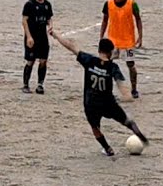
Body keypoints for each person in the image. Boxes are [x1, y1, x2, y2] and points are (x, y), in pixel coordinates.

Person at [47, 27, 149, 157]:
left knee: (95, 128)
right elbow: (120, 83)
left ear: (99, 50)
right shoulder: (112, 67)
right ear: (111, 52)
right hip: (108, 103)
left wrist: (55, 35)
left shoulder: (89, 60)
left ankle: (108, 149)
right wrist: (127, 95)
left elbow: (71, 46)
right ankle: (141, 136)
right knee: (127, 121)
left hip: (91, 103)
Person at [100, 0, 143, 98]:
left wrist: (140, 36)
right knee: (107, 64)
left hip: (128, 41)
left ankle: (134, 89)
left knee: (130, 64)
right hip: (112, 41)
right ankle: (107, 90)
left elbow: (138, 19)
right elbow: (104, 20)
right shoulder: (108, 3)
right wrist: (101, 37)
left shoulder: (132, 3)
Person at [21, 0, 53, 94]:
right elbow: (24, 21)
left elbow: (49, 18)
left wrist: (50, 26)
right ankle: (25, 84)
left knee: (43, 61)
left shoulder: (47, 5)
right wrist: (29, 37)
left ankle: (40, 84)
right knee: (30, 61)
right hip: (32, 37)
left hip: (43, 37)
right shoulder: (29, 4)